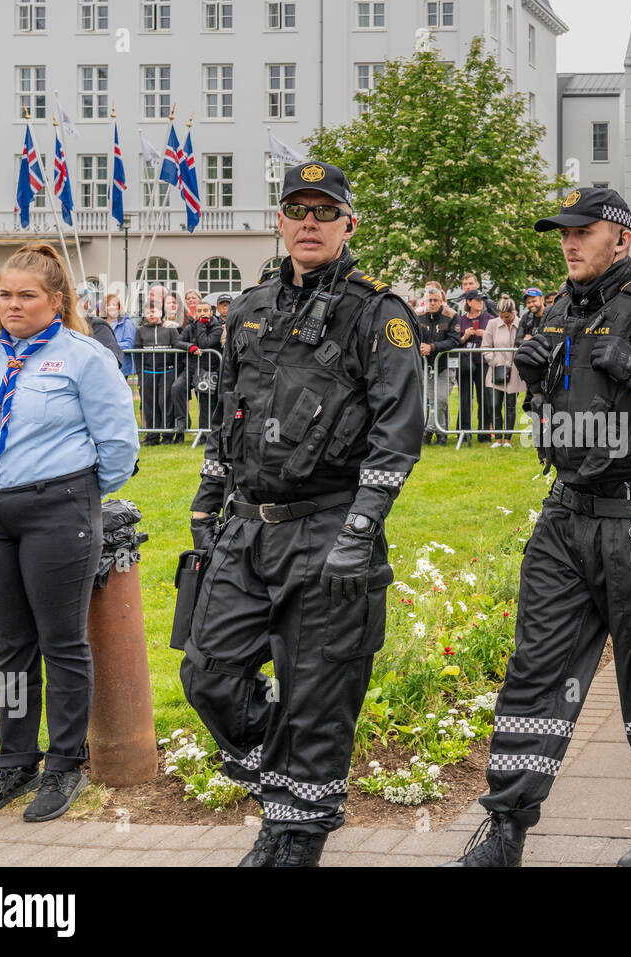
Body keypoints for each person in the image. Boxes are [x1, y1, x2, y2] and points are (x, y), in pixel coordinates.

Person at [447, 186, 631, 868]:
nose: (569, 242)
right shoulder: (554, 312)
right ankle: (507, 827)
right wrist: (536, 392)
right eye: (563, 232)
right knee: (534, 672)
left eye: (583, 230)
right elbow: (543, 401)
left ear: (621, 239)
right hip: (565, 517)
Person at [181, 161, 423, 867]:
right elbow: (229, 413)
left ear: (350, 223)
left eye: (325, 210)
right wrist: (207, 497)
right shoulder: (249, 308)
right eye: (298, 209)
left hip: (329, 523)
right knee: (209, 675)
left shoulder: (378, 313)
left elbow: (397, 429)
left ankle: (293, 834)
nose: (310, 221)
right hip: (249, 526)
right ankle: (289, 783)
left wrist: (361, 527)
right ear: (280, 221)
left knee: (317, 688)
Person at [0, 243, 138, 823]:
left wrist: (72, 493)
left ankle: (62, 766)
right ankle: (15, 760)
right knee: (10, 645)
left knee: (61, 642)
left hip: (58, 508)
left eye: (27, 295)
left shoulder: (83, 356)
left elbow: (118, 445)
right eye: (4, 294)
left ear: (56, 302)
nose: (13, 304)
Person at [174, 299, 225, 444]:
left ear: (211, 312)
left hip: (208, 369)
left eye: (205, 311)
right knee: (177, 388)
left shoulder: (217, 328)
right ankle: (182, 422)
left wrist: (202, 325)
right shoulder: (190, 327)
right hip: (191, 368)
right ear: (195, 313)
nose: (202, 313)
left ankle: (204, 435)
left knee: (205, 400)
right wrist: (190, 346)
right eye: (199, 311)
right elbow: (177, 342)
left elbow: (205, 343)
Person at [135, 302, 183, 444]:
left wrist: (175, 370)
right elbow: (137, 353)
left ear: (161, 313)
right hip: (148, 372)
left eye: (154, 311)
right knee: (149, 404)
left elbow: (177, 349)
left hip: (167, 371)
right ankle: (152, 436)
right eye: (148, 312)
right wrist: (140, 372)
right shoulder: (140, 330)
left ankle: (167, 436)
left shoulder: (170, 328)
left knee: (166, 403)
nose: (151, 314)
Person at [417, 286, 460, 444]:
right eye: (430, 300)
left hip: (445, 363)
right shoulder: (418, 315)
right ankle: (441, 435)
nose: (433, 303)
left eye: (436, 300)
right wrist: (420, 346)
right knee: (430, 401)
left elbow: (454, 340)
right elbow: (413, 336)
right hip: (425, 365)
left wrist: (432, 347)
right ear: (426, 301)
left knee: (441, 400)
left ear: (442, 301)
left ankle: (428, 431)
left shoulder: (452, 315)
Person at [481, 295, 521, 447]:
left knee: (510, 405)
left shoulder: (521, 323)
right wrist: (495, 362)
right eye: (501, 316)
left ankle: (508, 440)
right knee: (495, 405)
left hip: (514, 371)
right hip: (495, 370)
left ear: (514, 311)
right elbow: (485, 347)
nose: (504, 319)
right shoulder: (492, 324)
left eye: (507, 316)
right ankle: (498, 438)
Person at [455, 290, 494, 445]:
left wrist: (486, 334)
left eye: (482, 300)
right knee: (465, 398)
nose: (480, 302)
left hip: (483, 362)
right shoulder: (460, 320)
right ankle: (463, 433)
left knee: (484, 398)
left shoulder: (490, 319)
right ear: (469, 302)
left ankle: (484, 434)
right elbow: (455, 341)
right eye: (477, 300)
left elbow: (497, 339)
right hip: (465, 363)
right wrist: (464, 336)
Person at [105, 294, 137, 378]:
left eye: (114, 305)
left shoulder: (127, 323)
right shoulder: (101, 323)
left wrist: (110, 346)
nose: (111, 307)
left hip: (120, 366)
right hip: (103, 365)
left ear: (118, 307)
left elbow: (130, 344)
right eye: (108, 305)